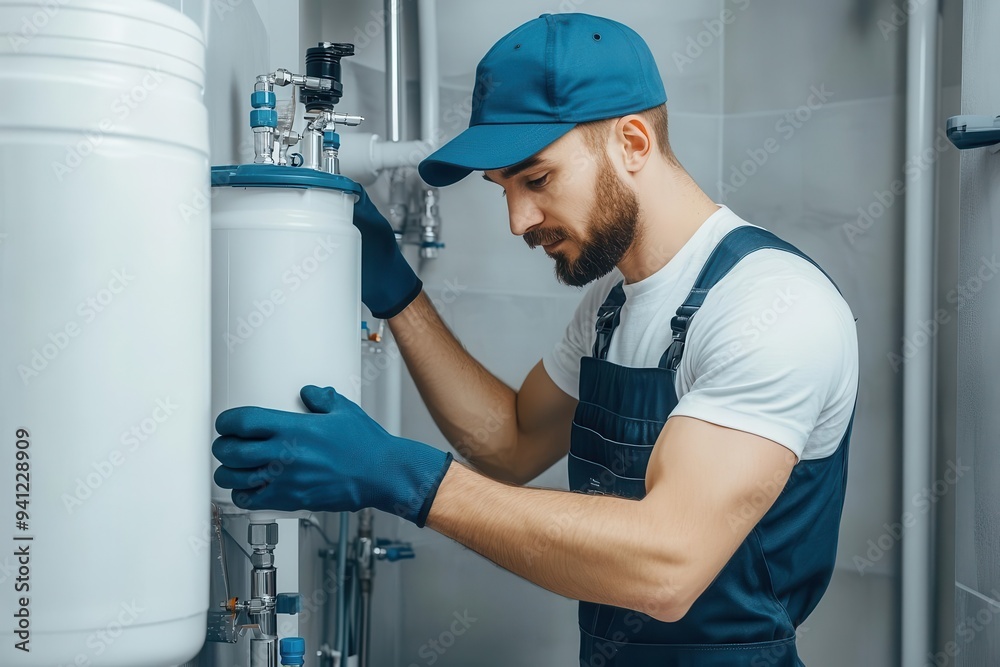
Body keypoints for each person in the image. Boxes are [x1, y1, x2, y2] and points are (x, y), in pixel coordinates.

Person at [213, 12, 859, 666]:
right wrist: (396, 291)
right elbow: (510, 440)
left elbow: (668, 564)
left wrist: (396, 474)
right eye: (505, 189)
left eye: (538, 179)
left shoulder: (772, 305)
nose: (519, 219)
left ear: (633, 142)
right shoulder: (609, 306)